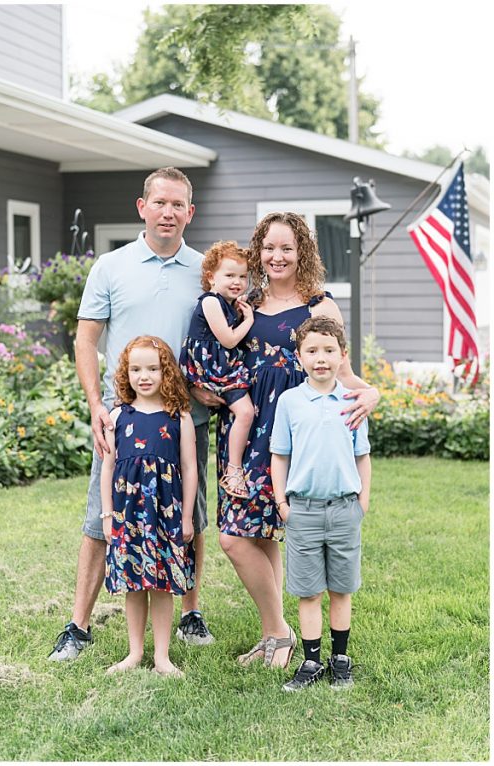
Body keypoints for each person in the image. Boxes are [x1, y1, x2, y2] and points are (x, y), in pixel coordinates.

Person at [49, 167, 218, 662]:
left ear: (191, 212)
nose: (168, 212)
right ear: (141, 207)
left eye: (178, 204)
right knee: (100, 520)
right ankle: (78, 626)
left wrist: (217, 386)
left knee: (192, 515)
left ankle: (190, 612)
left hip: (186, 417)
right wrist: (98, 406)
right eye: (159, 202)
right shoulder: (111, 266)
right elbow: (86, 339)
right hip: (122, 421)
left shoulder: (205, 269)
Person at [217, 211, 379, 669]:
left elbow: (344, 374)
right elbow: (219, 359)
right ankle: (278, 630)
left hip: (297, 438)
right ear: (258, 250)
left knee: (256, 534)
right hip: (246, 435)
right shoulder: (243, 302)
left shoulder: (319, 307)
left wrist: (374, 392)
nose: (276, 256)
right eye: (269, 247)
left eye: (287, 247)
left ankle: (278, 634)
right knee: (240, 534)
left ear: (302, 251)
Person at [270, 317, 371, 691]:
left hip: (344, 509)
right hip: (304, 511)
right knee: (309, 590)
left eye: (329, 350)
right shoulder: (290, 402)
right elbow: (280, 456)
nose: (321, 358)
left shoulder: (352, 400)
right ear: (299, 357)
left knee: (341, 588)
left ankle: (339, 658)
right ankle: (312, 661)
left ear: (342, 356)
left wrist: (362, 501)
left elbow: (363, 455)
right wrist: (282, 503)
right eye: (312, 351)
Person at [101, 336, 196, 677]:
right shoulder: (117, 416)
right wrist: (108, 515)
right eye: (136, 369)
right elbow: (108, 469)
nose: (144, 376)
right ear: (126, 373)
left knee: (161, 583)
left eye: (153, 369)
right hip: (128, 513)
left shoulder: (178, 417)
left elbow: (189, 468)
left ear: (165, 372)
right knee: (134, 582)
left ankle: (162, 657)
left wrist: (186, 517)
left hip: (166, 513)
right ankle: (134, 653)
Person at [179, 241, 255, 498]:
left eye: (243, 276)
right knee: (245, 412)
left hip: (219, 367)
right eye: (230, 275)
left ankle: (234, 467)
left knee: (243, 413)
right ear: (211, 277)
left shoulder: (228, 303)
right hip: (211, 369)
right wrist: (250, 320)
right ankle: (233, 470)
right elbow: (229, 340)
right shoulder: (211, 302)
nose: (237, 281)